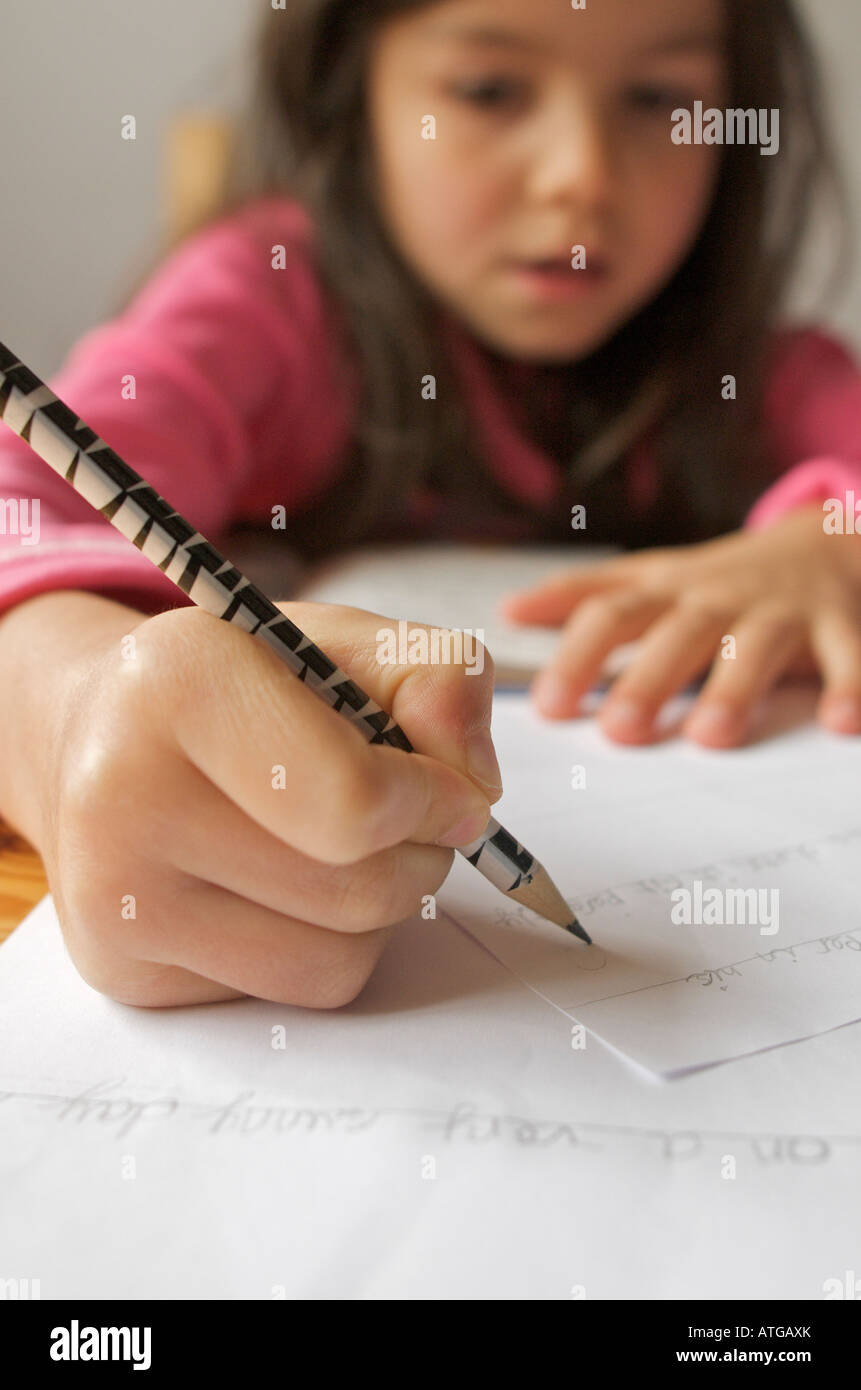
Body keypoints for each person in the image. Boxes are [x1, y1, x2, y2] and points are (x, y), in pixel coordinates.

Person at [1, 0, 859, 1007]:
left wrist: (834, 546)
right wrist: (61, 714)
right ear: (350, 91)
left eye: (660, 98)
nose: (580, 173)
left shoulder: (759, 369)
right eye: (489, 89)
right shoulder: (265, 307)